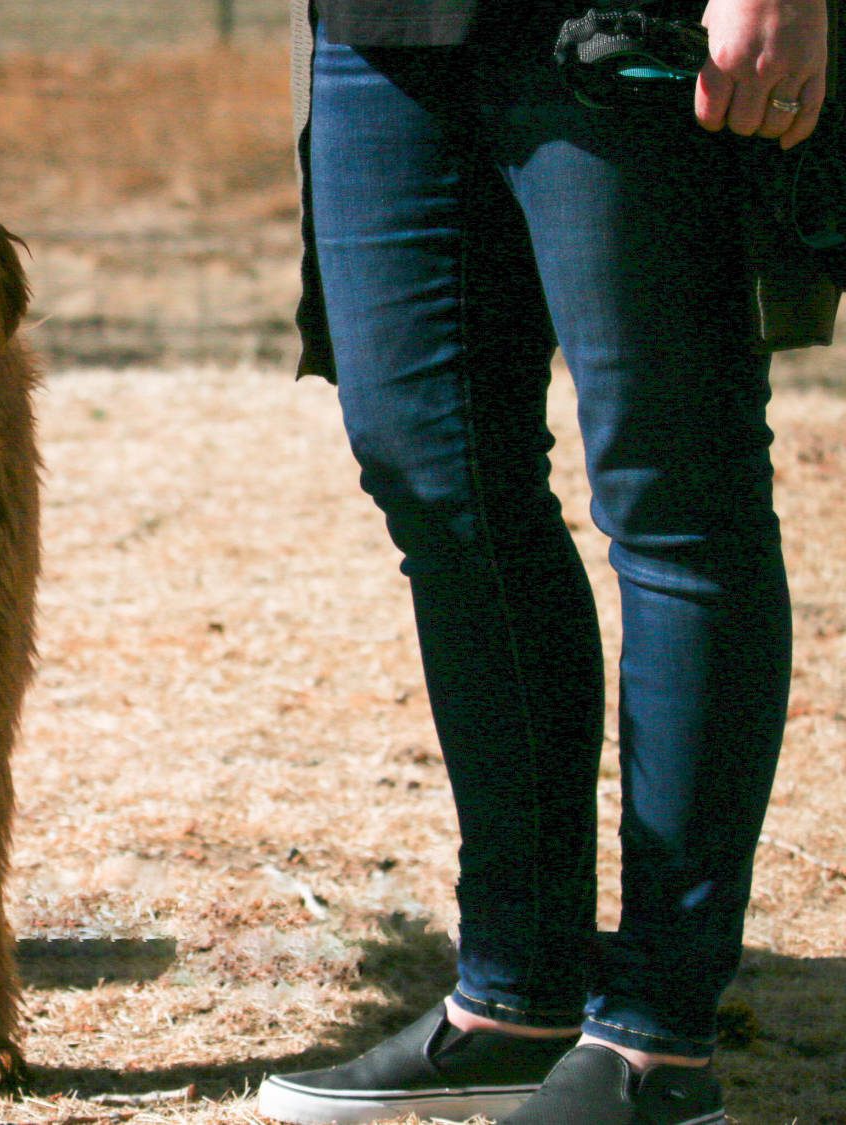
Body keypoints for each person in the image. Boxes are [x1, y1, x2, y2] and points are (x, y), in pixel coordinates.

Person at [256, 1, 836, 1122]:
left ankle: (654, 1043)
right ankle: (513, 998)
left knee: (675, 493)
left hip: (623, 11)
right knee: (433, 480)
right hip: (383, 31)